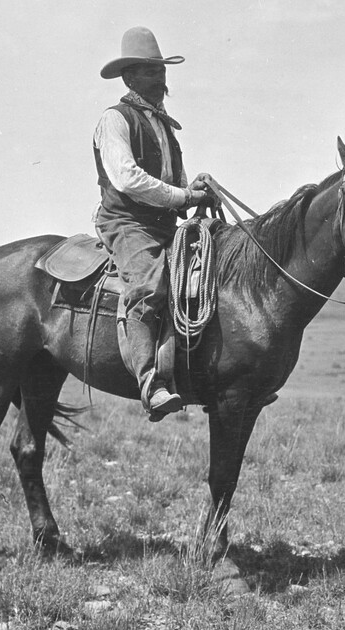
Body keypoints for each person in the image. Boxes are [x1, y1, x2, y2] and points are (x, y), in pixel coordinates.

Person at [93, 26, 212, 420]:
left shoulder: (163, 126)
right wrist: (183, 197)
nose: (159, 79)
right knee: (148, 283)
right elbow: (128, 179)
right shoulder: (115, 120)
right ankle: (151, 383)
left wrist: (190, 188)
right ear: (129, 78)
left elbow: (170, 182)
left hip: (161, 224)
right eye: (149, 71)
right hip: (125, 222)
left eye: (160, 71)